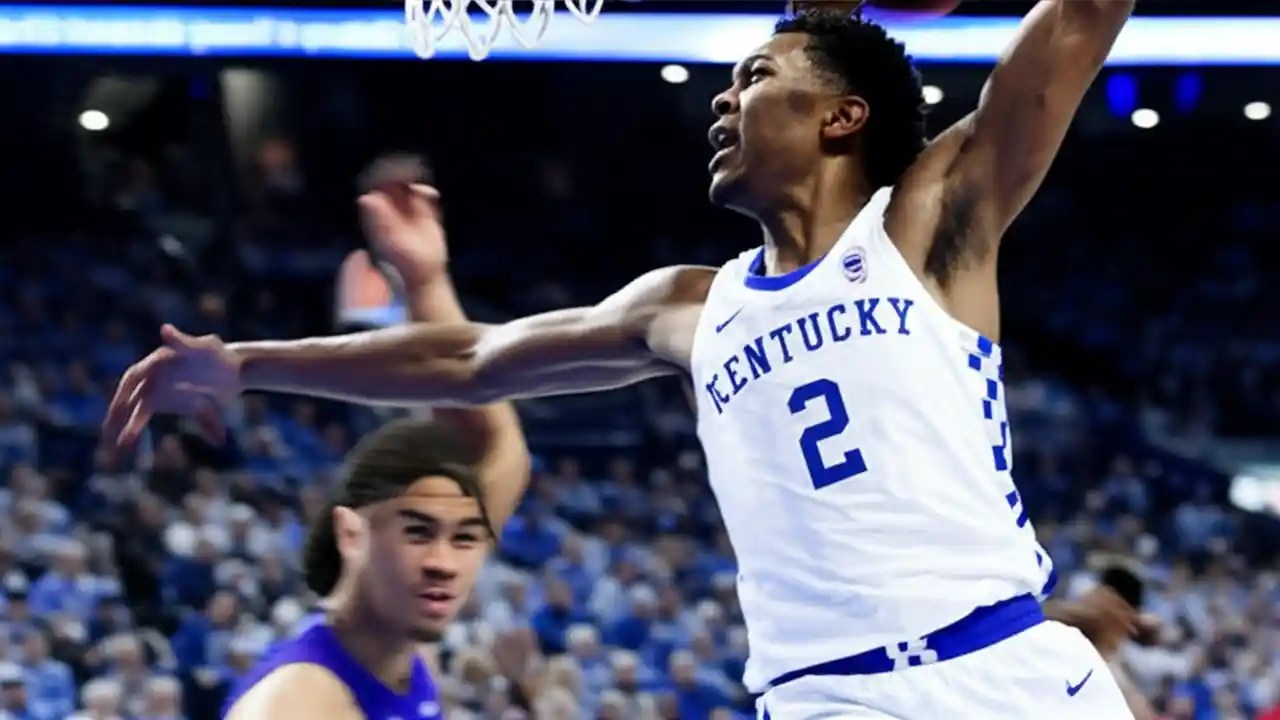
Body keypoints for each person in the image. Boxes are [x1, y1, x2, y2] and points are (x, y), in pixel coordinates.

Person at [106, 2, 1140, 717]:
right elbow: (473, 357)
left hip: (1008, 674)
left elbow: (1080, 17)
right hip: (831, 698)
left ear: (841, 115)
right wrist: (245, 363)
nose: (720, 101)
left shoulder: (927, 223)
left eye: (753, 80)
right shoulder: (690, 305)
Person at [222, 162, 530, 720]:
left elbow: (499, 444)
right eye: (417, 533)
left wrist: (425, 282)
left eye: (466, 538)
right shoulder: (296, 704)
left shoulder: (396, 647)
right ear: (350, 531)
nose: (444, 562)